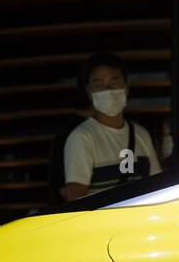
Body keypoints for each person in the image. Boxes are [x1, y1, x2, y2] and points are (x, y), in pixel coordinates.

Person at [62, 52, 161, 201]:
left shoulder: (141, 134)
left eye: (114, 83)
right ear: (89, 92)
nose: (107, 90)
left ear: (126, 87)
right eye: (99, 85)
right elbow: (76, 198)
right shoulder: (82, 138)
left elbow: (156, 185)